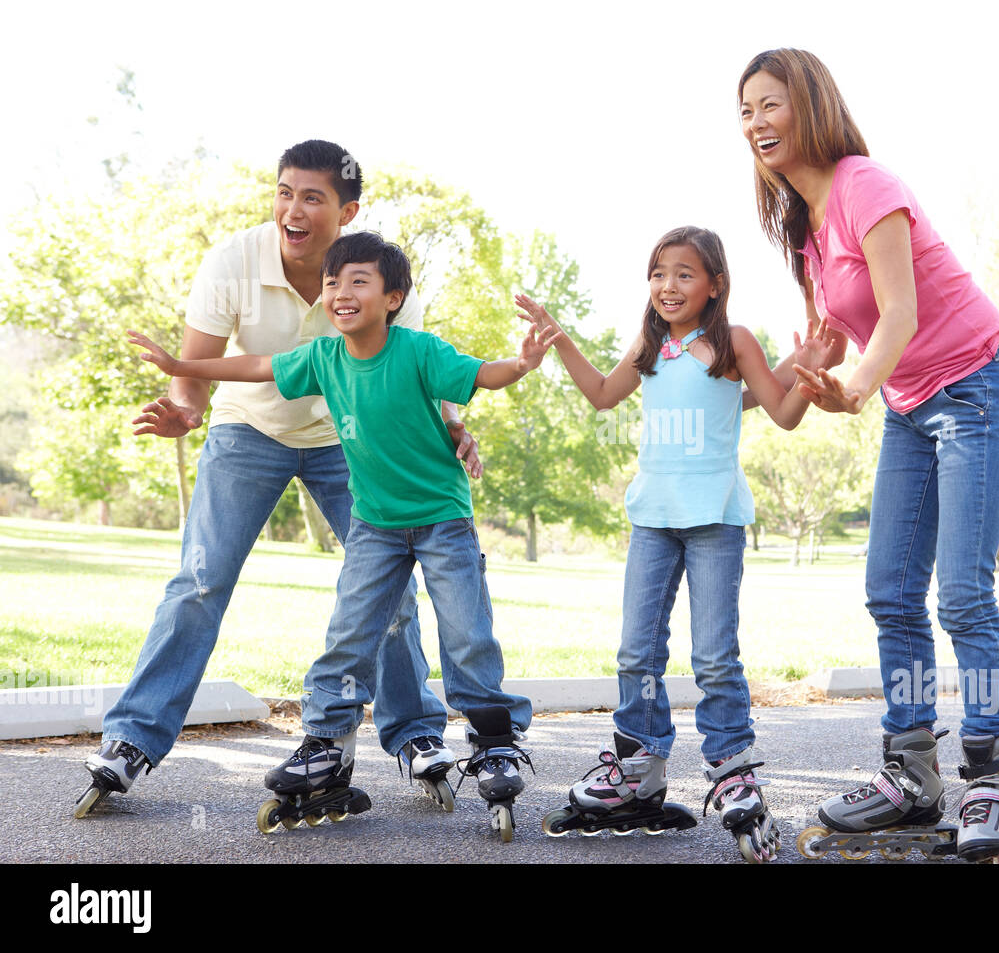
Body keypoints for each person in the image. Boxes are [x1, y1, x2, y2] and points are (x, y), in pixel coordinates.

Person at [76, 141, 480, 818]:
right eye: (285, 192)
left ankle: (415, 737)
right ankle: (131, 738)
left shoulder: (378, 275)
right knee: (199, 582)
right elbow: (199, 365)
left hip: (351, 438)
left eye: (312, 197)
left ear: (347, 211)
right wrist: (184, 409)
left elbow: (417, 375)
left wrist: (451, 429)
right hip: (247, 430)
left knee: (390, 589)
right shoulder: (233, 260)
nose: (293, 209)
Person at [128, 231, 549, 833]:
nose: (341, 292)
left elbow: (484, 374)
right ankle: (325, 740)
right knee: (348, 633)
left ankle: (492, 736)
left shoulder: (420, 351)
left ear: (393, 297)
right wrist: (180, 366)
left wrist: (524, 362)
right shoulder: (324, 358)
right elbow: (254, 366)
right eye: (333, 282)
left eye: (358, 281)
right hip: (375, 526)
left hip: (441, 520)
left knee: (466, 631)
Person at [738, 49, 999, 862]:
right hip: (910, 409)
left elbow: (899, 312)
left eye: (771, 104)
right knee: (892, 594)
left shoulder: (865, 182)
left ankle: (990, 776)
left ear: (809, 104)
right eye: (746, 112)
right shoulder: (805, 235)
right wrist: (817, 364)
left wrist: (858, 384)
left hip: (977, 387)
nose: (757, 123)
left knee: (963, 597)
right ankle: (911, 772)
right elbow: (836, 343)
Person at [516, 225, 833, 863]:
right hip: (653, 518)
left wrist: (815, 366)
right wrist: (561, 341)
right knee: (637, 651)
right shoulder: (652, 342)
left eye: (684, 273)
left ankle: (733, 766)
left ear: (714, 283)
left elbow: (783, 411)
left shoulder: (734, 340)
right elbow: (603, 395)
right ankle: (640, 765)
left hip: (714, 517)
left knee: (715, 655)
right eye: (659, 273)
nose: (668, 285)